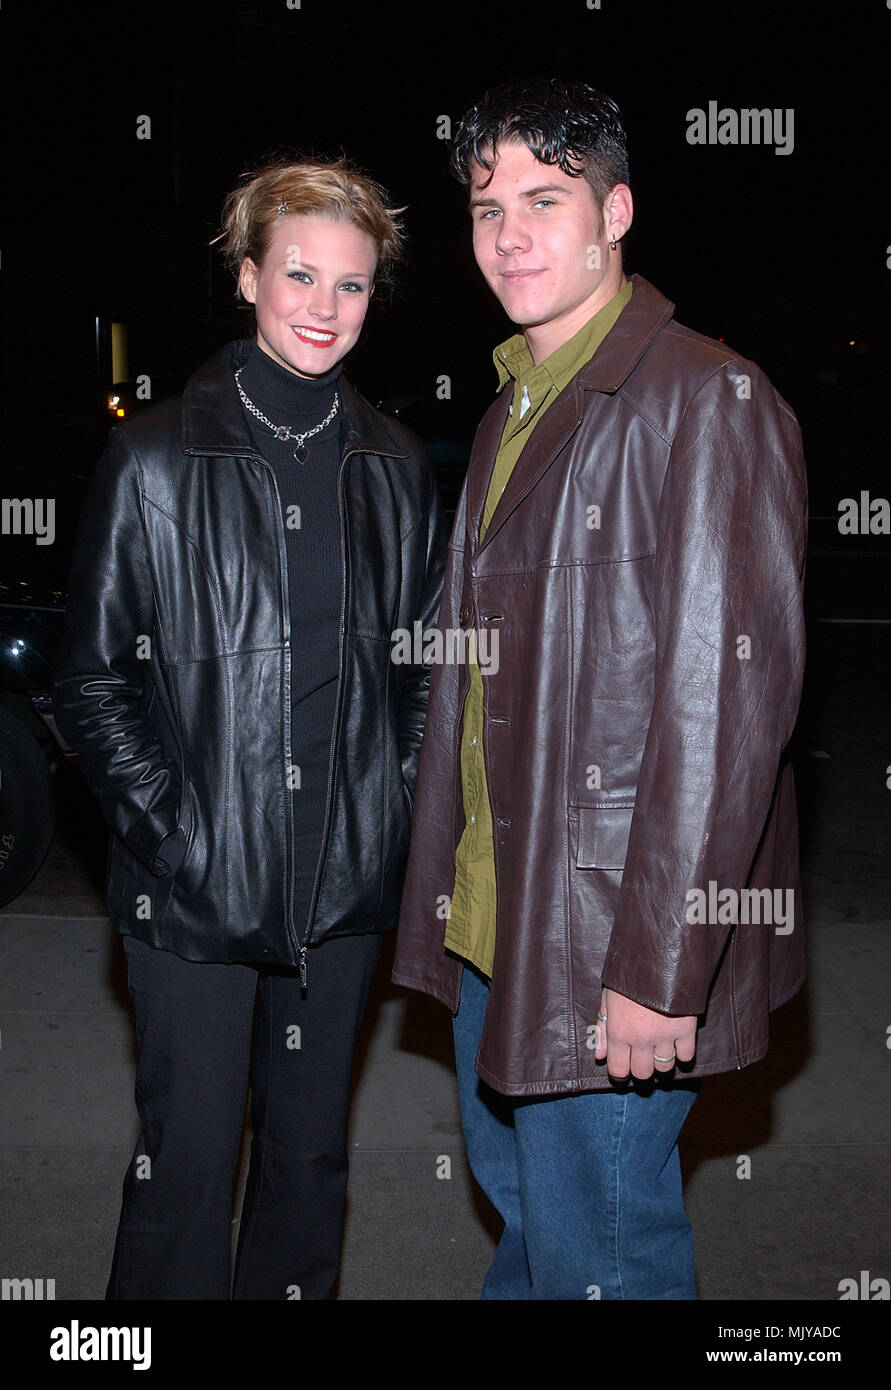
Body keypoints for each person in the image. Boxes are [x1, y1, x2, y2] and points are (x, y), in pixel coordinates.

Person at [392, 80, 808, 1300]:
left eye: (545, 200)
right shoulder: (512, 402)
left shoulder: (704, 398)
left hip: (609, 950)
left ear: (616, 211)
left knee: (602, 1264)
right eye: (486, 209)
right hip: (499, 926)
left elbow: (726, 709)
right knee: (536, 1236)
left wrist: (662, 966)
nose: (510, 235)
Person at [52, 157, 448, 1299]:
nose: (325, 309)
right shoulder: (155, 457)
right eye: (301, 276)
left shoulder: (393, 465)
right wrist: (181, 836)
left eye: (354, 286)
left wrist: (387, 817)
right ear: (248, 277)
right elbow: (91, 682)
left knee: (310, 1163)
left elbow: (423, 672)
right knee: (184, 1172)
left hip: (342, 894)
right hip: (194, 890)